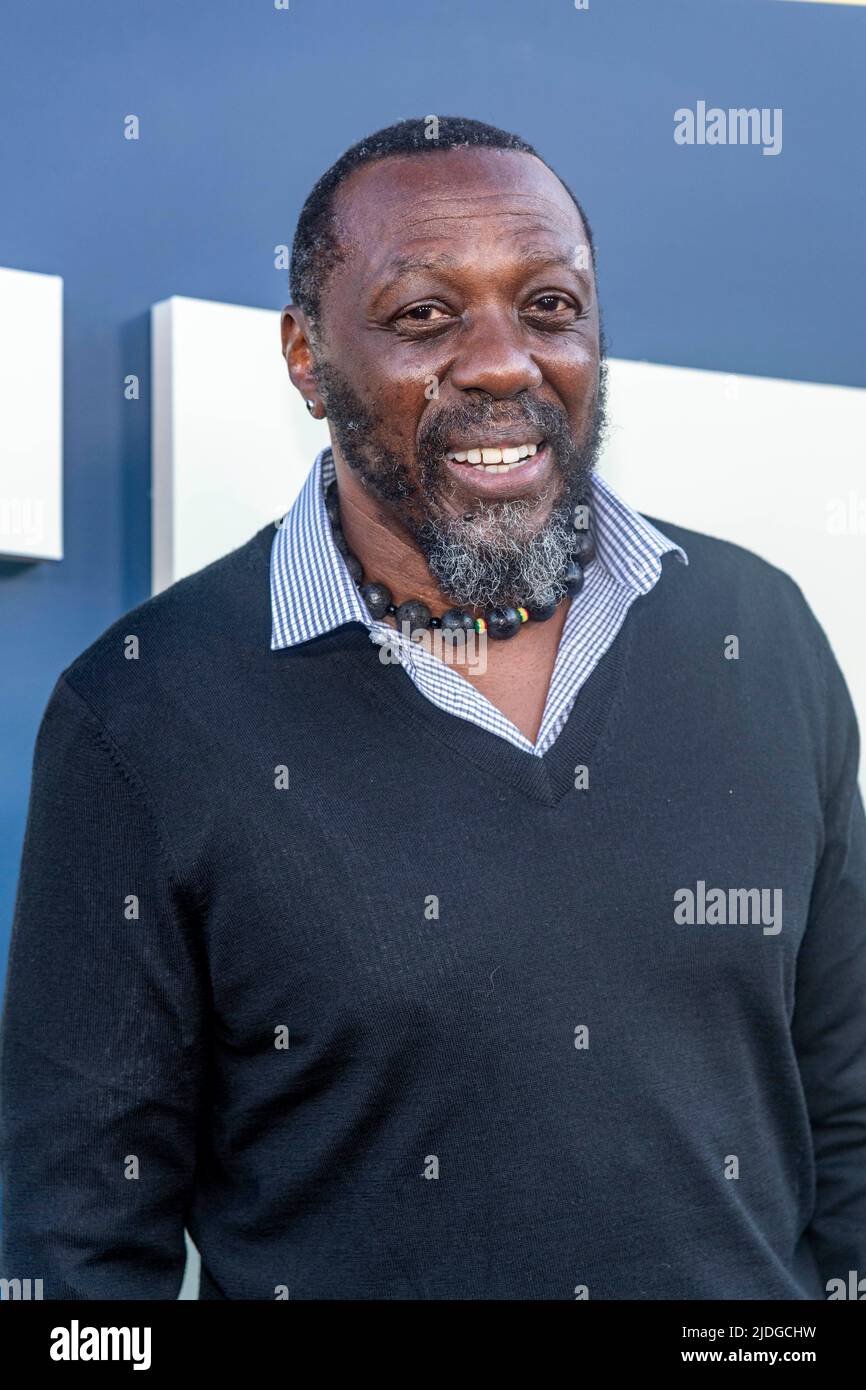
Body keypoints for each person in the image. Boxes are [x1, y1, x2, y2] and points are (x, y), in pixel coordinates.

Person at [2, 116, 864, 1300]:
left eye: (549, 305)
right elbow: (74, 1247)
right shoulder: (145, 708)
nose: (504, 362)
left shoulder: (758, 636)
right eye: (425, 316)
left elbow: (848, 1113)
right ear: (306, 359)